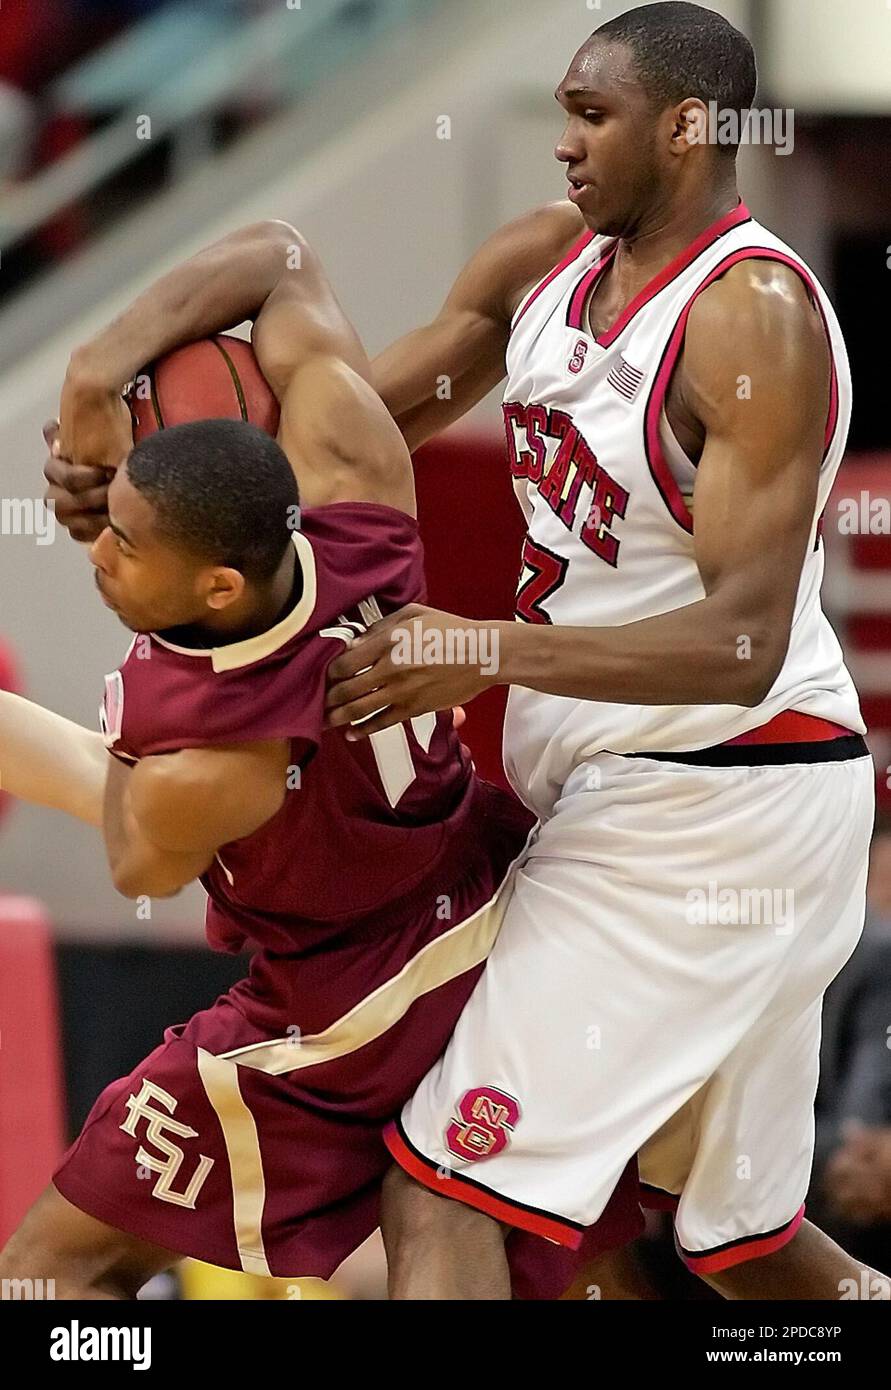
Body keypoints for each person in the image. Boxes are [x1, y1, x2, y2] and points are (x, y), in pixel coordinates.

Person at [42, 1, 887, 1302]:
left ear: (686, 127)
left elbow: (735, 640)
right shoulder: (546, 262)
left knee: (438, 1185)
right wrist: (134, 447)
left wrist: (484, 648)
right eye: (558, 109)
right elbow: (316, 383)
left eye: (590, 115)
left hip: (720, 790)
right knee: (740, 1238)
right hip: (624, 785)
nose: (561, 144)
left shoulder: (747, 320)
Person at [1, 230, 643, 1300]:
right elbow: (281, 258)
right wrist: (94, 371)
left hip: (354, 999)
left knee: (49, 1274)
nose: (91, 545)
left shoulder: (218, 762)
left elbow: (135, 858)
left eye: (119, 535)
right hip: (493, 895)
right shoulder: (356, 481)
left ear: (213, 588)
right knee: (634, 1262)